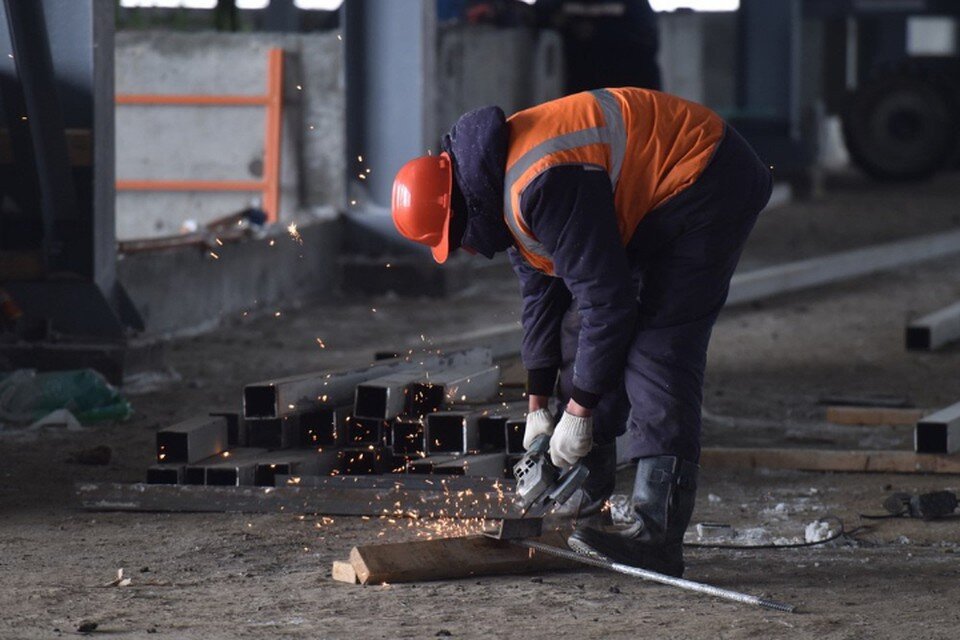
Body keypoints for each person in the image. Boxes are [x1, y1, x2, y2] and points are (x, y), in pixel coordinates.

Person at [390, 88, 772, 577]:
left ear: (459, 211)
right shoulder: (495, 187)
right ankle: (587, 502)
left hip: (706, 177)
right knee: (579, 329)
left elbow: (609, 305)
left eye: (454, 237)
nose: (464, 249)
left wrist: (578, 412)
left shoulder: (539, 183)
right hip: (658, 194)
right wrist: (538, 407)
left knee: (658, 348)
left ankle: (657, 537)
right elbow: (543, 300)